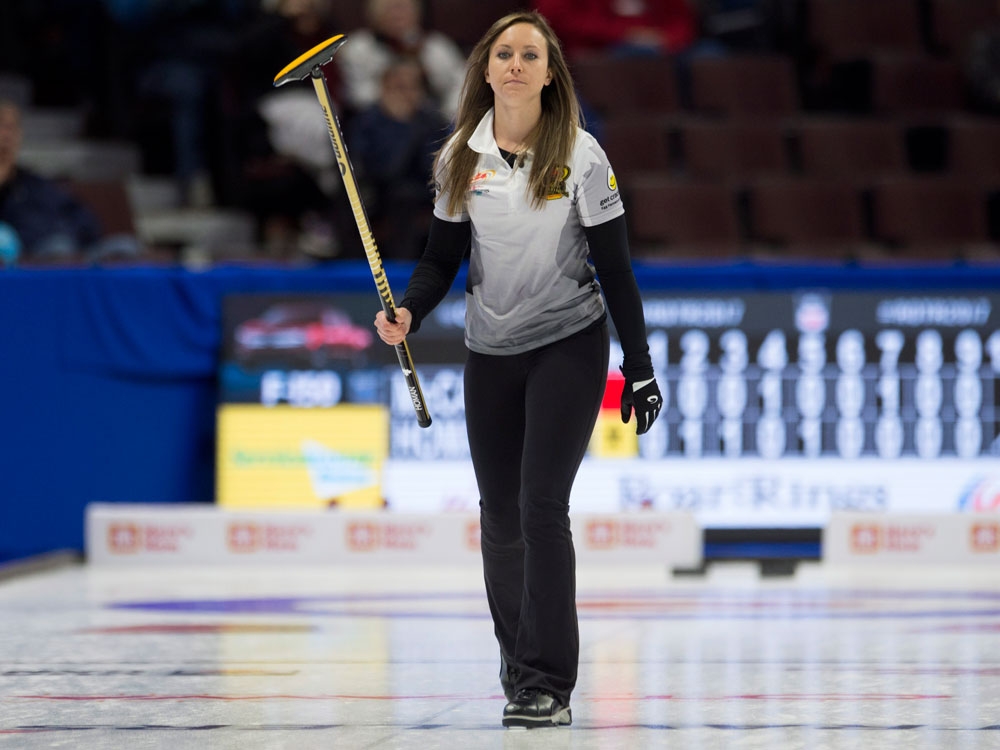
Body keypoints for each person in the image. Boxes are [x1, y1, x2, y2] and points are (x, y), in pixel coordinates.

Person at [373, 11, 663, 729]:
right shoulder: (458, 159)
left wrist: (641, 367)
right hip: (489, 352)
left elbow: (618, 270)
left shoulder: (583, 155)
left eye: (529, 54)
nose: (514, 64)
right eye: (503, 53)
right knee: (498, 516)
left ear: (549, 71)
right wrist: (409, 310)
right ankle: (519, 659)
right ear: (486, 68)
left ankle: (548, 682)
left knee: (540, 508)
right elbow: (442, 259)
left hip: (569, 342)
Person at [0, 98, 136, 263]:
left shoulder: (35, 184)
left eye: (11, 128)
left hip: (71, 248)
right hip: (33, 258)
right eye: (1, 126)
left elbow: (83, 219)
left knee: (125, 245)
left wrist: (70, 234)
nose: (6, 135)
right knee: (59, 247)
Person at [347, 56, 449, 260]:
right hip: (377, 194)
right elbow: (384, 171)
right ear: (384, 89)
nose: (406, 95)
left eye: (413, 87)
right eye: (399, 87)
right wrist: (403, 127)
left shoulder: (433, 121)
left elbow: (434, 171)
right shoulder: (366, 122)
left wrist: (409, 126)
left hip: (423, 194)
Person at [335, 0, 466, 120]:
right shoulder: (358, 48)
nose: (397, 14)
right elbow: (354, 93)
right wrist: (395, 100)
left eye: (404, 8)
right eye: (390, 8)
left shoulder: (436, 47)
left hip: (430, 123)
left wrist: (444, 118)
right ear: (375, 14)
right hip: (377, 122)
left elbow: (460, 86)